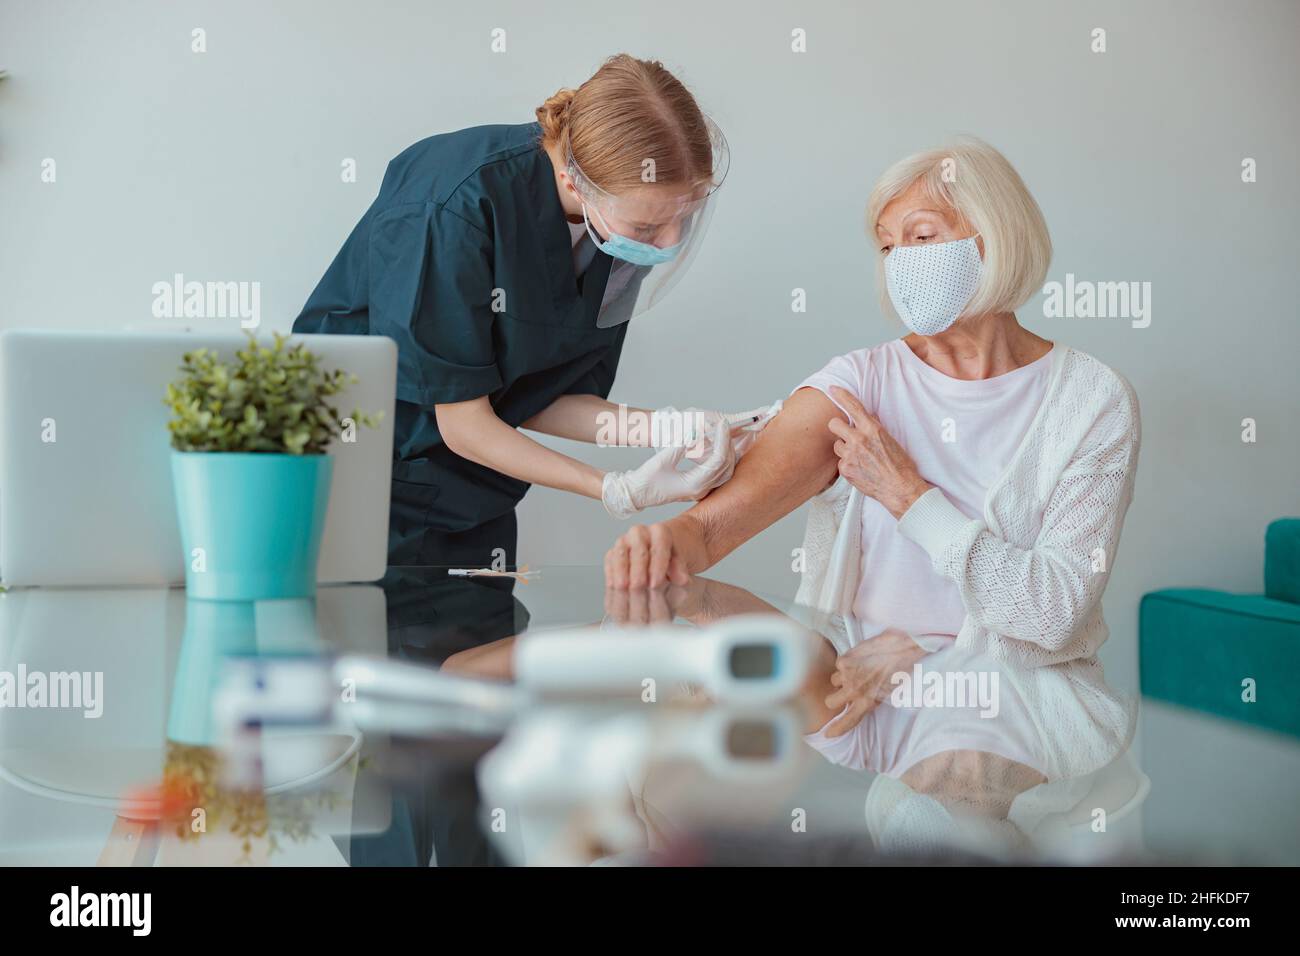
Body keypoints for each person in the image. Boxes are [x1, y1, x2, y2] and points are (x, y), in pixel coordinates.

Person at [604, 136, 1141, 687]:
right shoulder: (858, 388)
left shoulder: (1092, 400)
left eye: (923, 236)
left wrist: (908, 496)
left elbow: (1051, 614)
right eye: (887, 247)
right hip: (877, 713)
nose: (901, 262)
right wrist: (662, 543)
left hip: (1038, 724)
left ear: (996, 235)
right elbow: (709, 532)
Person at [294, 54, 754, 568]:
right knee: (396, 643)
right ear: (577, 181)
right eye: (648, 230)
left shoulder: (614, 225)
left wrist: (668, 428)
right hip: (375, 493)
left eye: (682, 220)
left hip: (477, 504)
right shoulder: (454, 206)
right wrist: (614, 489)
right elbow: (464, 419)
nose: (666, 244)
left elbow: (533, 393)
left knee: (483, 638)